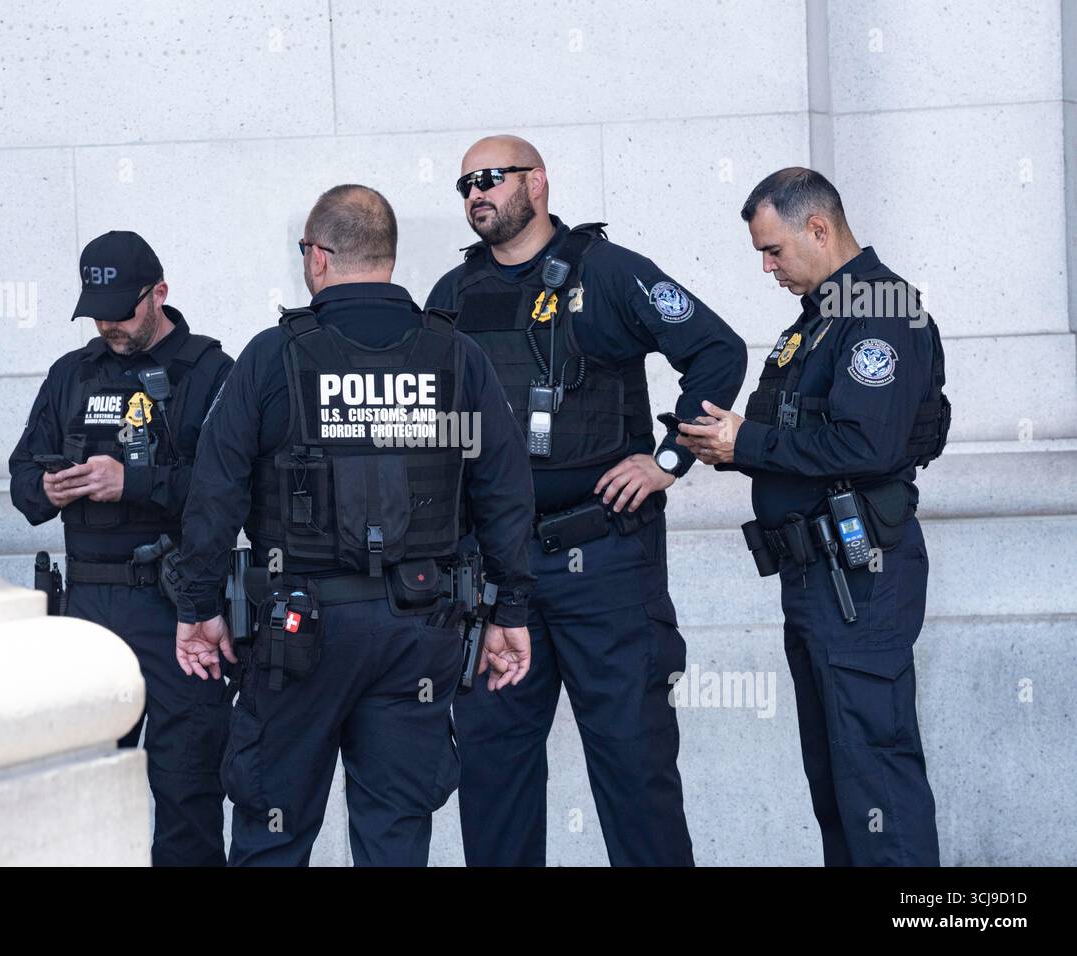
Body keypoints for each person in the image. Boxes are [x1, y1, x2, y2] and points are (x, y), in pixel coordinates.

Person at [173, 185, 537, 867]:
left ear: (317, 258)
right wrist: (510, 608)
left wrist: (198, 606)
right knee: (395, 834)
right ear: (390, 259)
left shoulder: (271, 357)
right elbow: (506, 491)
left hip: (298, 636)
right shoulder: (456, 356)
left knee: (274, 830)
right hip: (420, 629)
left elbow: (214, 491)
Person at [426, 135, 748, 866]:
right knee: (493, 774)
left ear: (536, 182)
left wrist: (670, 457)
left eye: (489, 178)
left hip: (603, 563)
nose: (476, 193)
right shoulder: (451, 296)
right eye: (465, 184)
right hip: (497, 576)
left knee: (635, 771)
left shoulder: (607, 273)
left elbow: (718, 348)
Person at [678, 167, 950, 866]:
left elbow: (868, 444)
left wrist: (750, 443)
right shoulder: (824, 318)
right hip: (818, 576)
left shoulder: (879, 310)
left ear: (819, 229)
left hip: (856, 577)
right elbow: (805, 436)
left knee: (872, 772)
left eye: (774, 250)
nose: (768, 267)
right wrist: (732, 448)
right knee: (836, 777)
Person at [8, 230, 236, 866]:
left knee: (188, 792)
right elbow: (21, 477)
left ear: (158, 293)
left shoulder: (212, 371)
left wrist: (132, 481)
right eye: (97, 311)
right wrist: (50, 487)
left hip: (178, 609)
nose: (108, 323)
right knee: (83, 794)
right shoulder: (71, 374)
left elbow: (232, 490)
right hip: (87, 611)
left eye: (122, 309)